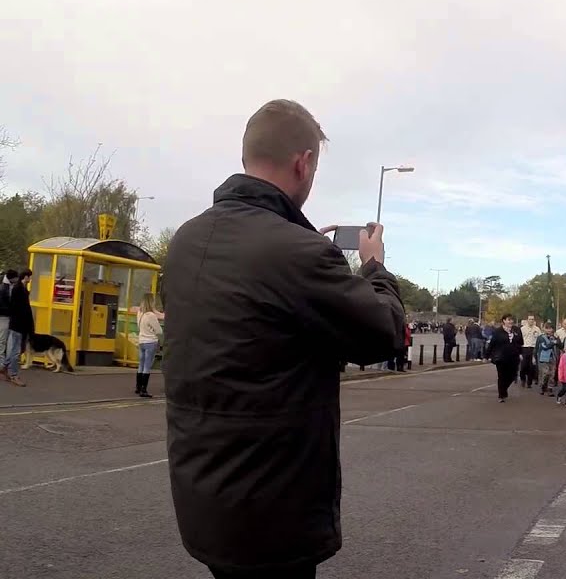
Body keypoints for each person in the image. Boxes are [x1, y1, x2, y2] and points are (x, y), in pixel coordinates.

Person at [162, 99, 405, 579]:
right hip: (273, 505)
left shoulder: (187, 240)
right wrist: (374, 267)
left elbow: (259, 322)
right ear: (304, 162)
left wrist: (302, 237)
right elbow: (383, 335)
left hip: (204, 494)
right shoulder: (297, 252)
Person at [1, 268, 33, 387]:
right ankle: (14, 375)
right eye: (29, 277)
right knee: (15, 351)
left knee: (13, 350)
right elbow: (22, 309)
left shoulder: (20, 289)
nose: (30, 279)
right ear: (25, 277)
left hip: (17, 324)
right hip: (18, 325)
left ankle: (4, 367)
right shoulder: (19, 289)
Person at [133, 293, 164, 398]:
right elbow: (159, 331)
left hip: (141, 341)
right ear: (151, 302)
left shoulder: (140, 313)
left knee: (141, 365)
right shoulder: (151, 315)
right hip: (150, 342)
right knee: (147, 366)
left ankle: (137, 387)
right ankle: (143, 390)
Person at [489, 314, 522, 403]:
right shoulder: (498, 331)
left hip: (514, 357)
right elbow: (492, 344)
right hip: (501, 358)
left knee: (512, 375)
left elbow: (520, 342)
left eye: (512, 320)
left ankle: (504, 389)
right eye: (509, 320)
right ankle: (501, 395)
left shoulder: (517, 330)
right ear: (504, 321)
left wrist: (520, 353)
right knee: (502, 376)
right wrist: (486, 355)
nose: (511, 321)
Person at [536, 323, 558, 396]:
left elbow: (560, 345)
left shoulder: (554, 337)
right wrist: (552, 343)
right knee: (545, 373)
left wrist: (557, 339)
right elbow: (544, 347)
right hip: (543, 358)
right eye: (547, 328)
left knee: (552, 374)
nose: (549, 330)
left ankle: (550, 388)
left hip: (553, 357)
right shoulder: (541, 338)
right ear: (544, 329)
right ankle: (542, 386)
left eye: (550, 328)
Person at [519, 316, 539, 389]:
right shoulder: (522, 329)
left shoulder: (537, 329)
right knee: (523, 366)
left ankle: (529, 382)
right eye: (530, 319)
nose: (531, 321)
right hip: (525, 348)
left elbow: (539, 339)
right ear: (527, 320)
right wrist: (520, 352)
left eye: (532, 319)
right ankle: (523, 379)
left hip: (533, 348)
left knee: (531, 367)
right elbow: (519, 340)